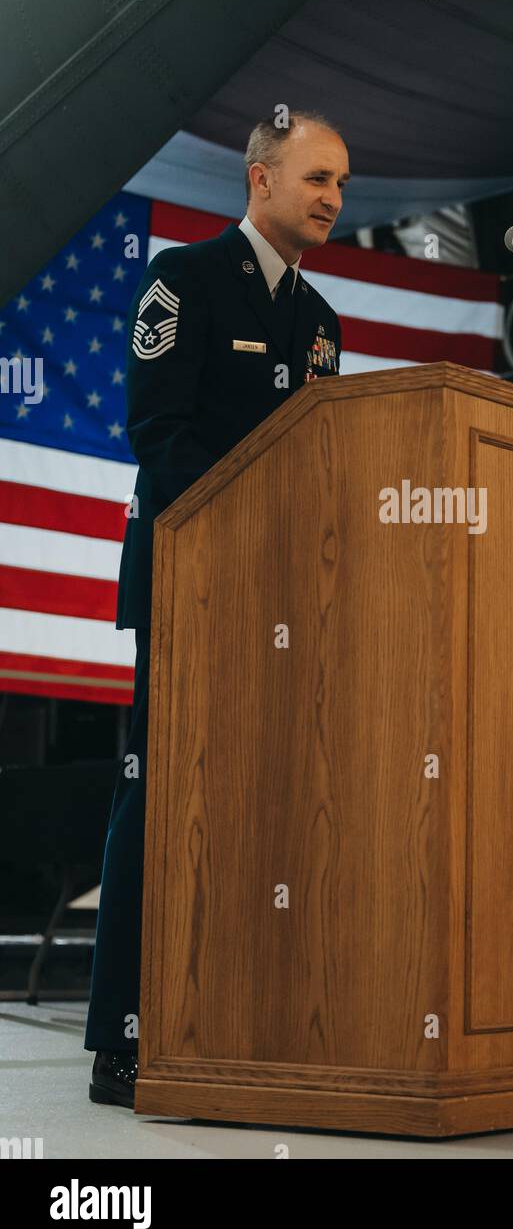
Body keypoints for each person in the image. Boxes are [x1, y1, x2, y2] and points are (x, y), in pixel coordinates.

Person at [85, 112, 349, 1105]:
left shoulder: (322, 321)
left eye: (342, 183)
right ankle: (124, 1034)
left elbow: (321, 461)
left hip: (285, 600)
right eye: (317, 177)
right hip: (193, 580)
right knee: (156, 796)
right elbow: (158, 432)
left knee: (268, 806)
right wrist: (245, 536)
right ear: (260, 177)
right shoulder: (181, 280)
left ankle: (242, 1017)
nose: (332, 197)